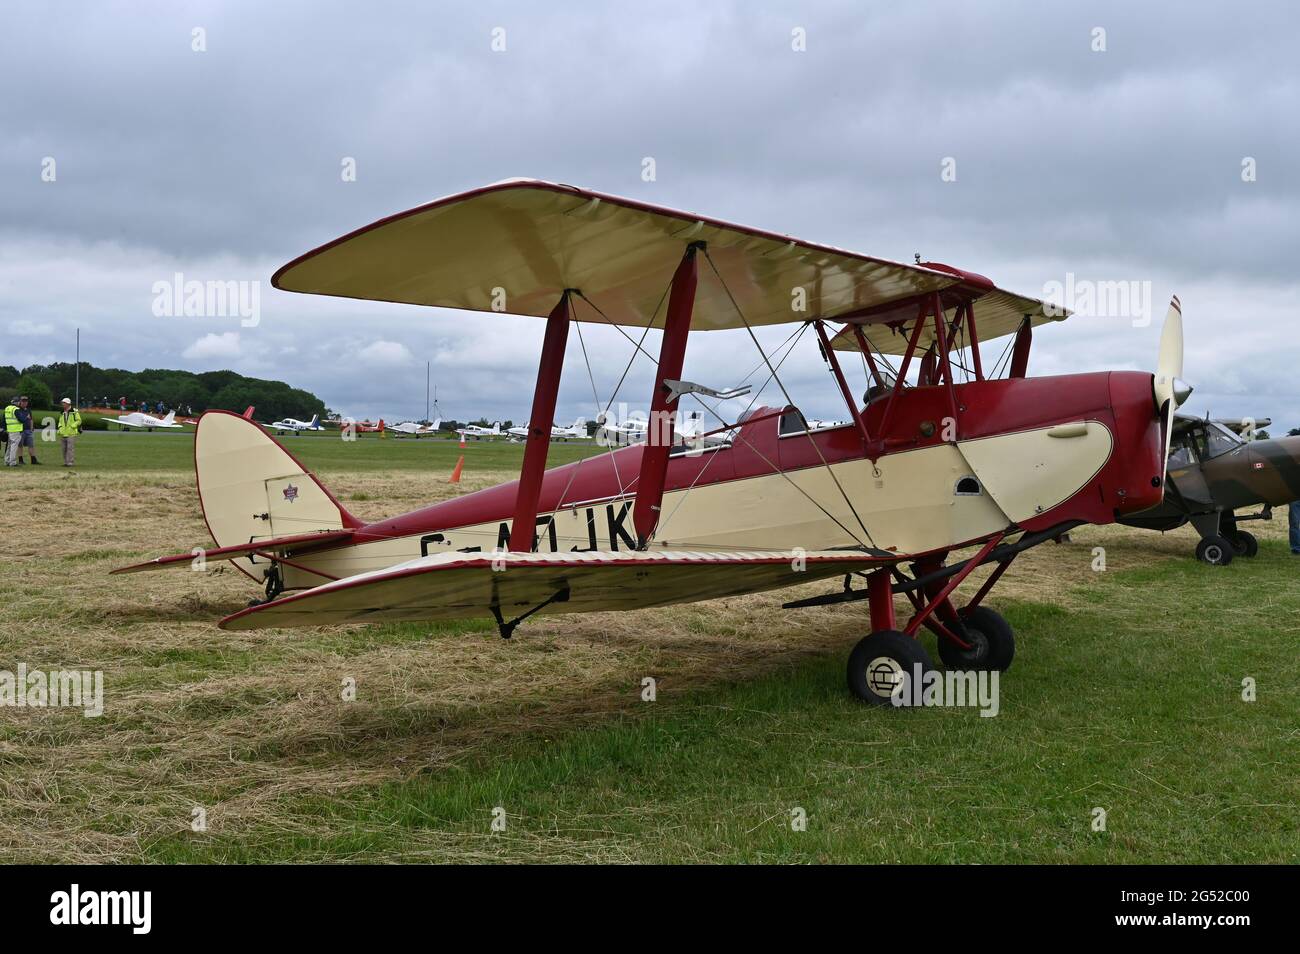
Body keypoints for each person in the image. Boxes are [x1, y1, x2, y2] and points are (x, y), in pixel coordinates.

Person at [57, 397, 82, 467]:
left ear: (68, 404)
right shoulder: (62, 412)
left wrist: (73, 426)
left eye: (64, 403)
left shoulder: (74, 412)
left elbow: (79, 420)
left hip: (71, 433)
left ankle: (70, 462)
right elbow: (60, 421)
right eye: (62, 403)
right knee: (63, 449)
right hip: (63, 433)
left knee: (70, 448)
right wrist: (60, 428)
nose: (62, 404)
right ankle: (65, 462)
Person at [15, 395, 38, 465]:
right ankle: (20, 460)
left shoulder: (28, 410)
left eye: (26, 402)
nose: (24, 403)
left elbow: (31, 419)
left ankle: (33, 460)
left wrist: (31, 428)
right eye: (23, 401)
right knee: (20, 446)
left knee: (31, 445)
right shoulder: (17, 410)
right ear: (20, 402)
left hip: (28, 431)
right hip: (21, 431)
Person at [3, 396, 20, 466]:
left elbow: (3, 419)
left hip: (9, 429)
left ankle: (6, 461)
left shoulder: (7, 408)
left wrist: (4, 428)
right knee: (14, 446)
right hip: (15, 430)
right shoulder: (16, 409)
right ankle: (12, 462)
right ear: (17, 402)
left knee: (9, 446)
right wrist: (26, 418)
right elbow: (21, 419)